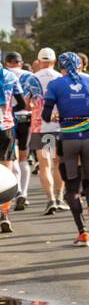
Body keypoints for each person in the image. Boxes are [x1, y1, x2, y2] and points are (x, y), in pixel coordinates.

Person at [43, 52, 89, 246]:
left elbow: (45, 114)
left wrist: (56, 117)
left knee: (72, 188)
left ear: (62, 68)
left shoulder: (55, 85)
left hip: (68, 140)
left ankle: (83, 233)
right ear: (81, 66)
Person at [31, 47, 66, 214]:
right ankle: (59, 198)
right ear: (54, 61)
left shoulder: (32, 78)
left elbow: (25, 103)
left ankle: (51, 199)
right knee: (59, 163)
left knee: (45, 165)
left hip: (40, 127)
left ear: (39, 62)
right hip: (60, 127)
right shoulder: (61, 78)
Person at [3, 51, 33, 214]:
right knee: (22, 158)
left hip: (9, 121)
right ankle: (23, 192)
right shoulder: (28, 76)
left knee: (10, 161)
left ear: (7, 62)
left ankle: (18, 192)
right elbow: (27, 102)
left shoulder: (7, 74)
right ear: (20, 62)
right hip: (22, 120)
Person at [0, 57, 19, 233]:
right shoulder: (10, 76)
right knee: (7, 172)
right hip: (6, 127)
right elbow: (20, 102)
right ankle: (4, 214)